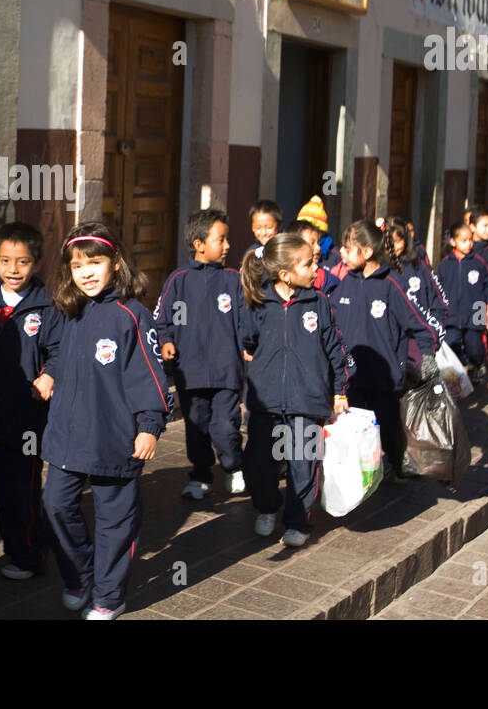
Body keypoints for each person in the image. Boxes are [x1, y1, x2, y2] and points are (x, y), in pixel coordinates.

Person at [35, 222, 172, 620]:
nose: (87, 273)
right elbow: (60, 352)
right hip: (68, 434)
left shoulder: (132, 315)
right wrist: (50, 372)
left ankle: (109, 597)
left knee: (116, 522)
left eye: (95, 262)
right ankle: (81, 575)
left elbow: (149, 375)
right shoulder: (68, 310)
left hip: (116, 438)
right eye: (78, 266)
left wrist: (149, 425)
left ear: (115, 263)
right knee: (56, 504)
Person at [0, 221, 66, 581]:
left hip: (25, 417)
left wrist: (49, 375)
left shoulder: (47, 305)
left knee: (19, 488)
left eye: (22, 262)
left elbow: (58, 350)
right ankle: (32, 533)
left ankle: (28, 554)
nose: (13, 270)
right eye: (5, 261)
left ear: (36, 263)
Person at [239, 233, 350, 548]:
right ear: (285, 275)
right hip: (266, 403)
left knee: (303, 464)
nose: (316, 267)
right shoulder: (259, 303)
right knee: (261, 463)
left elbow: (335, 349)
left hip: (308, 400)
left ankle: (298, 522)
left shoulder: (320, 302)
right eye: (308, 263)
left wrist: (339, 390)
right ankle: (266, 507)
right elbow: (248, 340)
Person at [328, 220, 443, 480]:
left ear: (367, 252)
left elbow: (421, 325)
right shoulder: (343, 284)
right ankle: (361, 474)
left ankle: (395, 462)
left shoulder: (392, 284)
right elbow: (330, 324)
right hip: (352, 376)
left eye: (348, 248)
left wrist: (427, 356)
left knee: (388, 427)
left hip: (386, 378)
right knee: (356, 429)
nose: (342, 253)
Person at [153, 209, 246, 500]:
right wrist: (166, 340)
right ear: (199, 244)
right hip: (189, 371)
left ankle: (234, 466)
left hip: (226, 371)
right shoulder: (178, 279)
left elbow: (246, 321)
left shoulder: (234, 280)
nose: (228, 245)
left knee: (224, 426)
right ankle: (201, 475)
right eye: (222, 239)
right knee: (196, 428)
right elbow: (161, 319)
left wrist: (249, 345)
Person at [437, 220, 488, 383]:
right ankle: (457, 371)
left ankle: (477, 365)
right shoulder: (444, 264)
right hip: (452, 313)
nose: (468, 244)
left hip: (477, 310)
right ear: (453, 241)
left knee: (475, 345)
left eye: (470, 240)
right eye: (463, 240)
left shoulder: (479, 262)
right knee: (451, 343)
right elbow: (439, 289)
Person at [388, 219, 450, 369]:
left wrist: (435, 327)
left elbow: (438, 299)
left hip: (418, 339)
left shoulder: (418, 265)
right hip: (391, 340)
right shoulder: (381, 269)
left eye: (398, 241)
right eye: (390, 241)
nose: (394, 246)